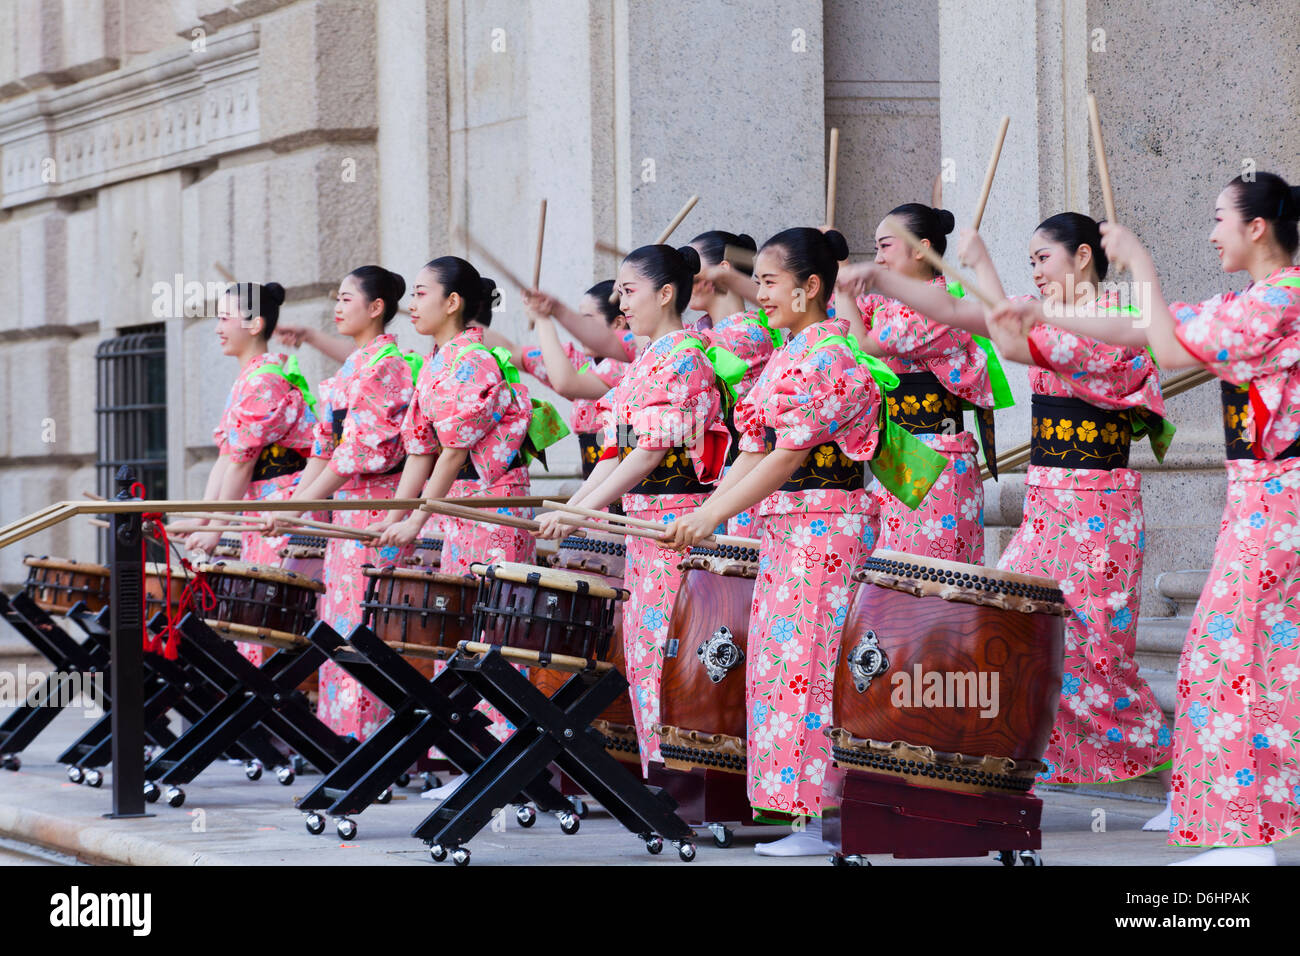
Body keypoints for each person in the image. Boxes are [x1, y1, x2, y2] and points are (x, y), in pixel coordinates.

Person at [994, 171, 1300, 865]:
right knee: (1232, 661)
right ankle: (1241, 829)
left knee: (1226, 662)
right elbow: (1142, 324)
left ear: (1257, 227)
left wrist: (1140, 265)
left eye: (1220, 217)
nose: (1212, 230)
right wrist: (1045, 313)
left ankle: (1244, 837)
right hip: (1259, 502)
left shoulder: (1281, 302)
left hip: (1279, 501)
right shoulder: (1250, 300)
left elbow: (1160, 343)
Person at [840, 211, 1175, 815]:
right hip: (1047, 502)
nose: (1037, 274)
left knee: (1095, 648)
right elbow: (963, 314)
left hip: (1100, 508)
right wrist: (885, 280)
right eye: (1030, 264)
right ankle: (1019, 761)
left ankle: (1176, 771)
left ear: (1081, 258)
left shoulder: (1116, 327)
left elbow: (1013, 335)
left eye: (1043, 259)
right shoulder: (1047, 313)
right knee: (1016, 627)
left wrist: (983, 268)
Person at [663, 227, 942, 855]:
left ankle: (821, 816)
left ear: (810, 287)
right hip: (788, 532)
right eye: (757, 281)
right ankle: (798, 812)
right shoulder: (790, 354)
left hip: (826, 531)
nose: (758, 294)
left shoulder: (830, 359)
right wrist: (706, 513)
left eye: (768, 281)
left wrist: (709, 518)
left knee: (811, 666)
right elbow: (753, 451)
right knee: (777, 663)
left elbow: (787, 458)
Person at [534, 244, 735, 775]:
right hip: (645, 527)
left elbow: (647, 453)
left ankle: (681, 777)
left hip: (676, 525)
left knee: (673, 648)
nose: (620, 303)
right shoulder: (646, 362)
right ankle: (656, 773)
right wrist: (569, 509)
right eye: (619, 292)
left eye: (629, 291)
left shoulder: (685, 357)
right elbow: (615, 454)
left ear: (666, 294)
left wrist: (576, 516)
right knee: (644, 650)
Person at [269, 265, 415, 741]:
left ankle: (371, 743)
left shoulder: (387, 365)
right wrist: (293, 506)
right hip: (347, 513)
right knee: (339, 621)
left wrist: (294, 508)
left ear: (376, 308)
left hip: (375, 511)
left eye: (347, 298)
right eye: (336, 297)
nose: (337, 306)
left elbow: (356, 454)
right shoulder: (353, 366)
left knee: (364, 626)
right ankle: (343, 739)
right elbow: (323, 451)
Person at [841, 203, 1013, 563]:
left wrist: (843, 290)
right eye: (875, 248)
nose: (877, 258)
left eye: (884, 246)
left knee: (929, 587)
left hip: (934, 462)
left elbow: (862, 346)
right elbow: (833, 315)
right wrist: (835, 267)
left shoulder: (935, 306)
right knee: (894, 583)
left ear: (920, 249)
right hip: (904, 457)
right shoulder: (888, 306)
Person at [185, 281, 317, 666]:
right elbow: (228, 457)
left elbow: (240, 462)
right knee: (257, 623)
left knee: (271, 625)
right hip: (263, 508)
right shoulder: (250, 379)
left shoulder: (263, 381)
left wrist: (213, 529)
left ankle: (273, 719)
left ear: (256, 324)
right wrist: (205, 518)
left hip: (284, 507)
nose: (217, 327)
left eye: (225, 318)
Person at [483, 280, 636, 478]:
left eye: (587, 321)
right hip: (596, 483)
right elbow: (514, 353)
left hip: (621, 485)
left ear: (618, 323)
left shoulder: (626, 366)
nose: (578, 329)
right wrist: (463, 321)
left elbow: (566, 383)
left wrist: (543, 319)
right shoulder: (581, 362)